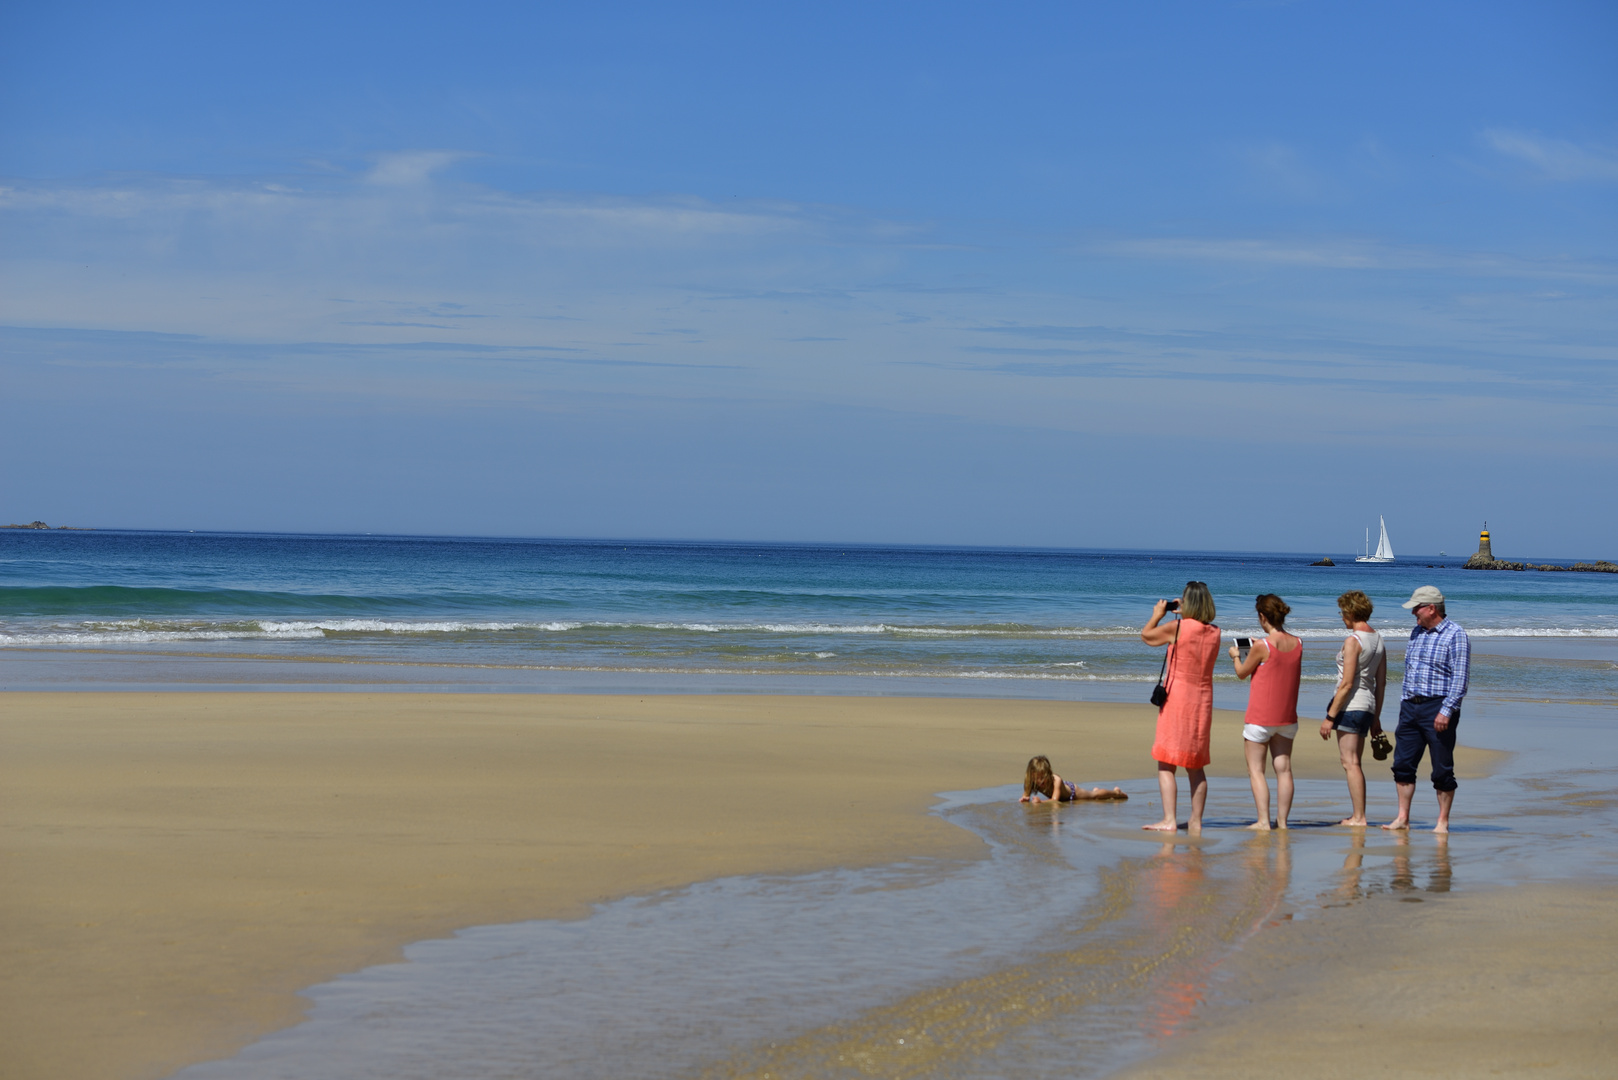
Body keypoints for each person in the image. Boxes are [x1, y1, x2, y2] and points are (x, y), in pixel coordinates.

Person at [1384, 585, 1470, 834]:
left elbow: (1460, 679)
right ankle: (1403, 818)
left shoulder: (1456, 634)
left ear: (1431, 608)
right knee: (1402, 764)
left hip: (1438, 706)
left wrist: (1446, 711)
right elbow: (1411, 671)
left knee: (1442, 768)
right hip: (1410, 706)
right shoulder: (1417, 632)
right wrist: (1405, 701)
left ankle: (1442, 822)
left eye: (1416, 608)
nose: (1413, 613)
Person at [1140, 581, 1221, 833]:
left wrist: (1157, 614)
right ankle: (1195, 820)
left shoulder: (1178, 628)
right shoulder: (1215, 632)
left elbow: (1147, 636)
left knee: (1166, 762)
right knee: (1195, 765)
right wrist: (1186, 611)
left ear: (1189, 603)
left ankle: (1169, 819)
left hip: (1177, 700)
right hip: (1202, 701)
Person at [1229, 594, 1301, 829]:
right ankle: (1282, 822)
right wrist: (1257, 645)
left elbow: (1242, 672)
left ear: (1262, 617)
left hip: (1260, 717)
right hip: (1287, 717)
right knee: (1284, 769)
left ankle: (1263, 820)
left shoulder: (1262, 646)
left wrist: (1236, 656)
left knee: (1256, 770)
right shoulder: (1298, 643)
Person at [1319, 590, 1387, 826]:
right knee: (1355, 762)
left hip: (1351, 706)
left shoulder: (1353, 641)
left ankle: (1359, 817)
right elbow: (1381, 683)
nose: (1341, 617)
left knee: (1350, 762)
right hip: (1368, 705)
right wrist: (1376, 717)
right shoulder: (1378, 639)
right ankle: (1359, 814)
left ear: (1350, 612)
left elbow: (1347, 684)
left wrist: (1330, 717)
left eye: (1342, 612)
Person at [1019, 755, 1128, 802]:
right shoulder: (1030, 782)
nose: (1041, 781)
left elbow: (1054, 801)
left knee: (1094, 796)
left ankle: (1116, 793)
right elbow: (1025, 796)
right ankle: (1099, 790)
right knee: (1095, 795)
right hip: (1063, 797)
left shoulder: (1056, 780)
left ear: (1048, 773)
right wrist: (1025, 799)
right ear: (1031, 776)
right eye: (1037, 778)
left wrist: (1041, 802)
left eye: (1043, 777)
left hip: (1072, 793)